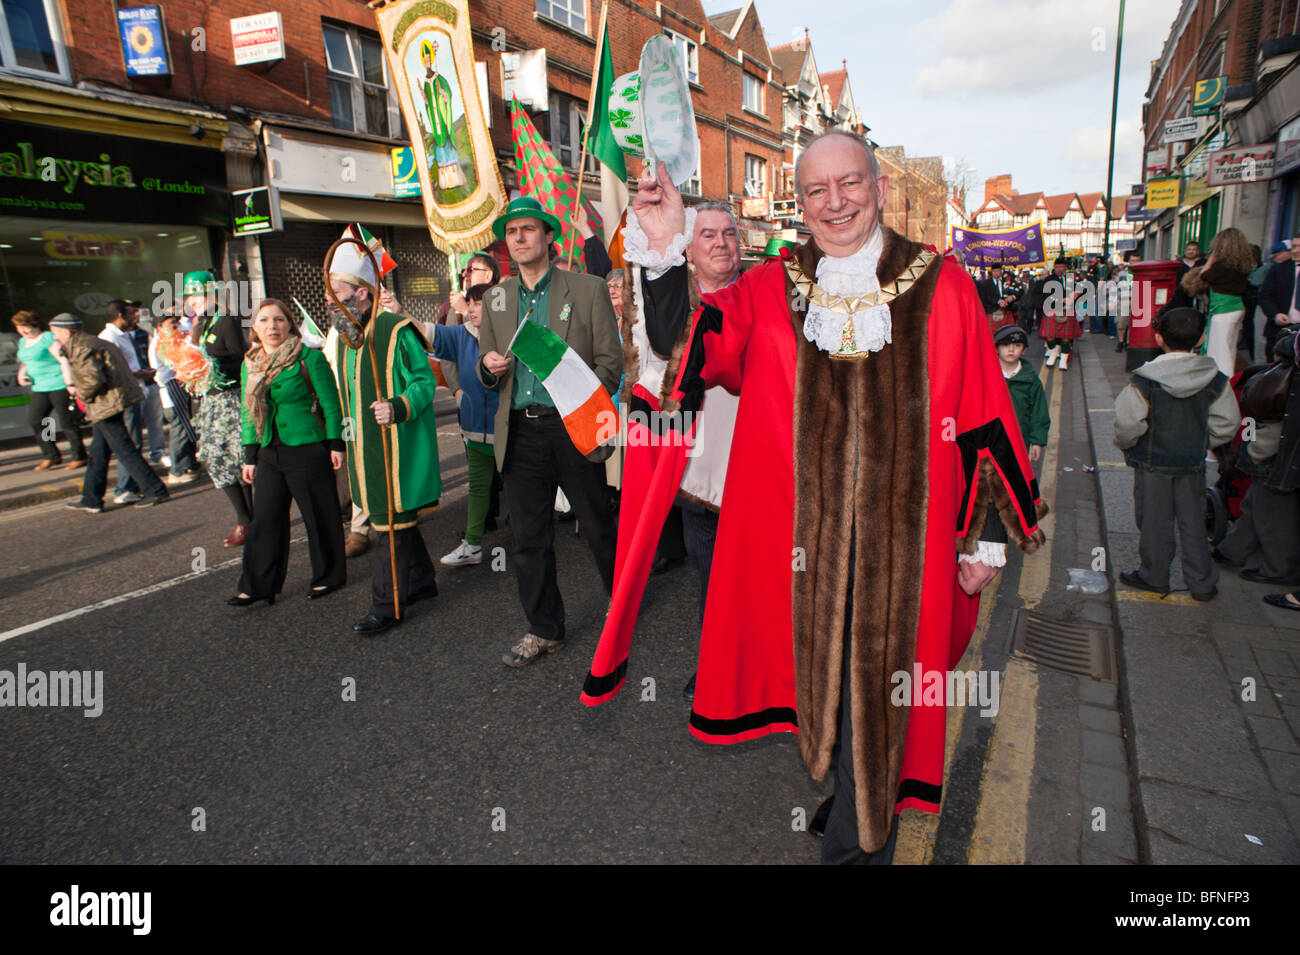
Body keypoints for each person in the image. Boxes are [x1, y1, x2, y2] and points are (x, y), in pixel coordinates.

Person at [625, 132, 1046, 863]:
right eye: (816, 191)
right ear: (801, 203)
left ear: (878, 187)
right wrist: (664, 254)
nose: (835, 202)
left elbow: (982, 411)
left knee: (880, 718)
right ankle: (851, 802)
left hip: (905, 563)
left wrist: (984, 538)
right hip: (802, 564)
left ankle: (855, 836)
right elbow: (692, 352)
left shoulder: (940, 284)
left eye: (848, 183)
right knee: (839, 711)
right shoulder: (771, 286)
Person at [585, 198, 744, 704]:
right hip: (698, 475)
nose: (721, 243)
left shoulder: (760, 297)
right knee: (710, 579)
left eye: (729, 234)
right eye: (708, 235)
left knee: (758, 578)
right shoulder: (673, 305)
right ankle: (717, 665)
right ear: (689, 250)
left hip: (757, 467)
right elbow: (654, 371)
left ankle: (760, 670)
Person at [477, 196, 621, 667]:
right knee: (528, 540)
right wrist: (488, 367)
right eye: (512, 232)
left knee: (598, 527)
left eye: (529, 230)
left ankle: (622, 610)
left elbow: (610, 365)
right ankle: (544, 629)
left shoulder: (588, 288)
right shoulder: (496, 298)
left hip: (572, 428)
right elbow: (483, 368)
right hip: (520, 432)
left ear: (548, 237)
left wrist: (575, 390)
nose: (519, 238)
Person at [326, 226, 443, 634]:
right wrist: (340, 437)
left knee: (390, 524)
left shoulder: (396, 329)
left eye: (338, 299)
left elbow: (425, 382)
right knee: (391, 518)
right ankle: (422, 580)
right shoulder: (345, 338)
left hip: (397, 444)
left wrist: (396, 407)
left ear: (362, 293)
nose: (333, 308)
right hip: (365, 447)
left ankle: (386, 605)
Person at [1115, 307, 1239, 601]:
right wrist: (1200, 440)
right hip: (1192, 464)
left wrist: (1128, 445)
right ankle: (1202, 582)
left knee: (1154, 522)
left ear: (1158, 338)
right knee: (1193, 522)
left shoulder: (1143, 380)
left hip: (1151, 464)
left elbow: (1128, 424)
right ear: (1202, 337)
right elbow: (1229, 423)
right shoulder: (1216, 379)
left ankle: (1154, 575)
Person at [228, 299, 347, 607]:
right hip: (268, 449)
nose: (272, 327)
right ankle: (258, 586)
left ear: (290, 324)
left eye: (279, 320)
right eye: (265, 320)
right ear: (254, 327)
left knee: (319, 517)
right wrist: (249, 454)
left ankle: (328, 576)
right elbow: (247, 412)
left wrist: (336, 443)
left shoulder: (309, 357)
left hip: (307, 447)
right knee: (265, 519)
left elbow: (331, 404)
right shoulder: (249, 363)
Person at [53, 313, 169, 512]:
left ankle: (155, 489)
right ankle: (91, 498)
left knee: (124, 449)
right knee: (99, 452)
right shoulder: (92, 341)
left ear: (66, 331)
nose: (54, 336)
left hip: (105, 403)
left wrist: (83, 397)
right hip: (111, 401)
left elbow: (92, 380)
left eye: (55, 332)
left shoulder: (80, 346)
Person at [1215, 329, 1300, 585]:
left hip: (1274, 456)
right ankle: (1234, 550)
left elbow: (1258, 426)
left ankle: (1279, 569)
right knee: (1255, 505)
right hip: (1273, 452)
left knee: (1271, 514)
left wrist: (1247, 450)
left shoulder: (1273, 383)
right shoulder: (1275, 381)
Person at [430, 283, 498, 567]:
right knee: (479, 487)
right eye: (469, 303)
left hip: (510, 431)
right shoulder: (460, 334)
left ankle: (531, 544)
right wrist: (396, 311)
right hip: (474, 428)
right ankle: (472, 545)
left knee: (524, 490)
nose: (471, 309)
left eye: (478, 303)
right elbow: (427, 334)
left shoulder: (512, 336)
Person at [187, 271, 254, 547]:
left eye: (198, 295)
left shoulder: (226, 321)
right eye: (189, 297)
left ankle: (250, 520)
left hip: (230, 399)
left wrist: (211, 367)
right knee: (215, 460)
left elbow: (241, 361)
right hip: (209, 402)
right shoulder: (200, 326)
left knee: (239, 460)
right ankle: (246, 518)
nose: (193, 301)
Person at [98, 299, 158, 503]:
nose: (136, 316)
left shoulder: (124, 335)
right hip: (125, 395)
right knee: (130, 443)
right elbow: (113, 370)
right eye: (131, 313)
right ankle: (124, 489)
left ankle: (131, 486)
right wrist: (139, 374)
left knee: (135, 441)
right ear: (119, 316)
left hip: (136, 391)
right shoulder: (108, 338)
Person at [13, 310, 86, 471]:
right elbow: (25, 361)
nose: (23, 331)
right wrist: (21, 374)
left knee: (67, 421)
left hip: (58, 383)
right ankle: (51, 454)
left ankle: (79, 456)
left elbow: (63, 360)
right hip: (39, 386)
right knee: (37, 419)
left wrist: (69, 383)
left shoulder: (47, 338)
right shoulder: (22, 342)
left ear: (34, 325)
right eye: (19, 327)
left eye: (26, 326)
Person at [1180, 227, 1253, 376]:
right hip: (1236, 308)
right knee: (1229, 349)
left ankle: (1222, 383)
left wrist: (1212, 257)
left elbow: (1204, 275)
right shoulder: (1241, 264)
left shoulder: (1222, 265)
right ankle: (1228, 380)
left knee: (1220, 352)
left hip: (1222, 310)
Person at [149, 308, 200, 484]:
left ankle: (188, 464)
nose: (176, 326)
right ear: (160, 325)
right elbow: (167, 368)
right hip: (170, 391)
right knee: (179, 430)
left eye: (177, 322)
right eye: (172, 323)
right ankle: (178, 469)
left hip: (179, 387)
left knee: (185, 428)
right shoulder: (160, 342)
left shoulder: (173, 339)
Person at [994, 325, 1049, 465]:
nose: (1011, 349)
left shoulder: (1031, 380)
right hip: (991, 438)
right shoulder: (987, 377)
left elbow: (1039, 413)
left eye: (1017, 345)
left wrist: (1038, 441)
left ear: (1024, 350)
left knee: (1016, 475)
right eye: (1005, 344)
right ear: (996, 348)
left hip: (1019, 438)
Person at [1258, 235, 1300, 362]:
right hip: (1280, 332)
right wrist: (1275, 314)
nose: (1295, 250)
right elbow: (1265, 297)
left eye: (1299, 247)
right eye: (1293, 246)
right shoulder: (1278, 269)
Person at [1039, 257, 1080, 369]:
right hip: (1052, 310)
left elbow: (1080, 289)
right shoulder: (1049, 280)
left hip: (1067, 311)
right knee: (1050, 336)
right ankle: (1053, 354)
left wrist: (1077, 293)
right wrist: (1062, 299)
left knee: (1065, 337)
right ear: (1054, 267)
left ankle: (1063, 360)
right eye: (1057, 267)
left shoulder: (1070, 279)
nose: (1059, 269)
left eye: (1062, 267)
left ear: (1065, 267)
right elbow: (1045, 296)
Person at [1170, 240, 1205, 309]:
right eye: (1189, 249)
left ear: (1197, 251)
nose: (1191, 252)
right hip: (1181, 293)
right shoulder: (1178, 264)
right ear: (1185, 250)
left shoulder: (1203, 263)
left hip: (1199, 292)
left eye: (1194, 249)